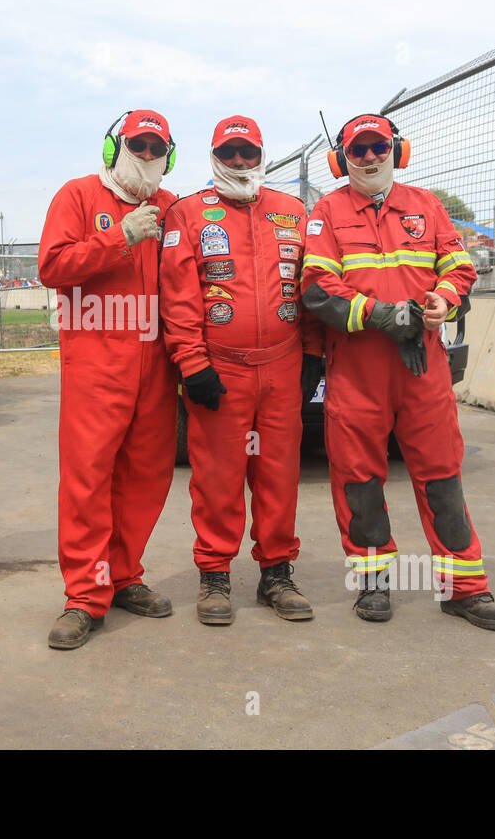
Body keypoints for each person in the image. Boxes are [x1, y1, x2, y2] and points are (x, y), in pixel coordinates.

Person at [300, 113, 495, 630]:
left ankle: (464, 588)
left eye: (377, 147)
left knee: (442, 475)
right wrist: (382, 316)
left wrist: (443, 300)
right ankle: (372, 583)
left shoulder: (427, 205)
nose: (369, 157)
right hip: (356, 371)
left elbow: (459, 268)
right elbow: (317, 291)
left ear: (398, 150)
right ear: (340, 160)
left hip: (424, 369)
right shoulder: (326, 212)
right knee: (359, 479)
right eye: (358, 151)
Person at [159, 116, 323, 625]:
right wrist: (192, 363)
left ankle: (276, 573)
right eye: (229, 153)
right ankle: (215, 574)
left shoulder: (294, 212)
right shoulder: (188, 214)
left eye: (247, 153)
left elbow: (312, 289)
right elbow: (178, 298)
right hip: (220, 371)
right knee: (217, 478)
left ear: (261, 156)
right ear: (213, 156)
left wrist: (312, 358)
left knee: (279, 475)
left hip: (283, 365)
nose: (239, 162)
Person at [37, 109, 180, 649]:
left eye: (155, 149)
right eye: (137, 146)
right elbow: (52, 267)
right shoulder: (77, 197)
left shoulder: (170, 207)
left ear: (168, 157)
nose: (146, 156)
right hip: (97, 361)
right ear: (113, 149)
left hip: (156, 363)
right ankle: (84, 595)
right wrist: (120, 236)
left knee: (145, 476)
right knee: (88, 479)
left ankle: (123, 576)